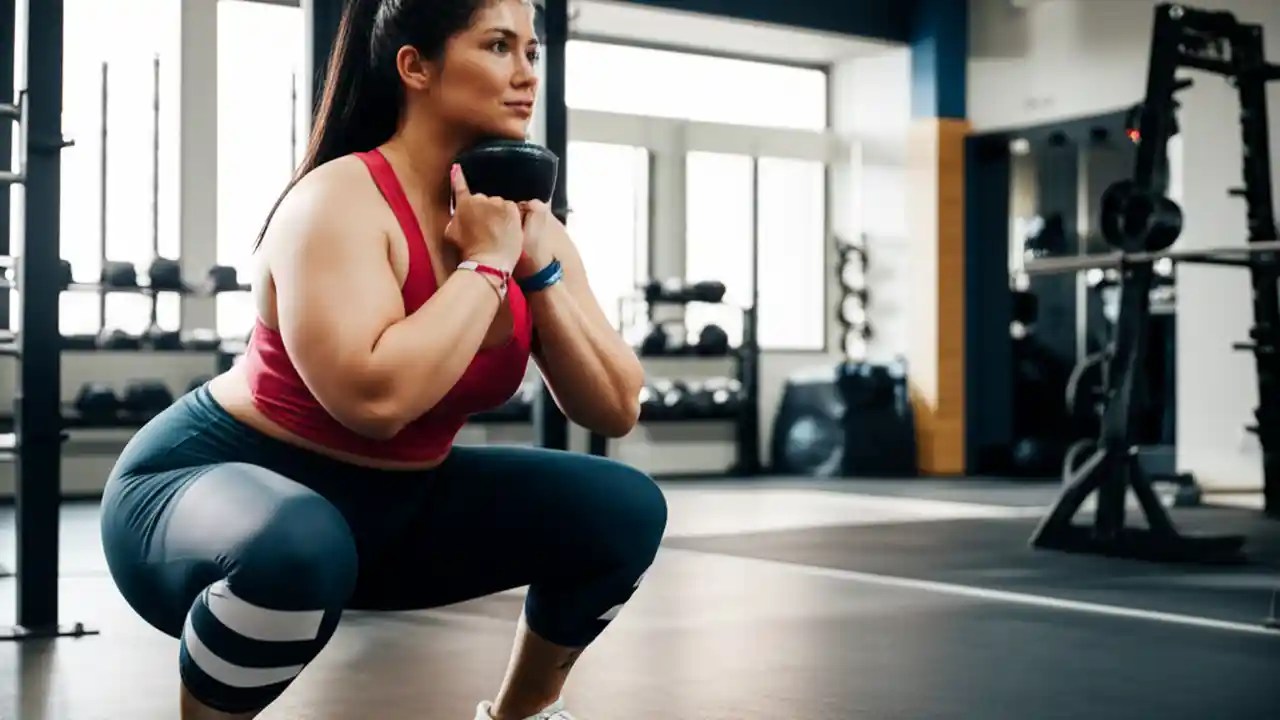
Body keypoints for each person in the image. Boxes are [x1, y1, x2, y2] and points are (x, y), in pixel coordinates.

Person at [98, 0, 667, 718]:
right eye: (498, 46)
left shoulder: (523, 223)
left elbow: (615, 407)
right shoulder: (338, 201)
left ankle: (520, 716)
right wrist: (487, 266)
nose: (526, 74)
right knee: (300, 545)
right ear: (415, 67)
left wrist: (539, 271)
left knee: (621, 509)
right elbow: (375, 404)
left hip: (393, 509)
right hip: (213, 496)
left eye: (532, 52)